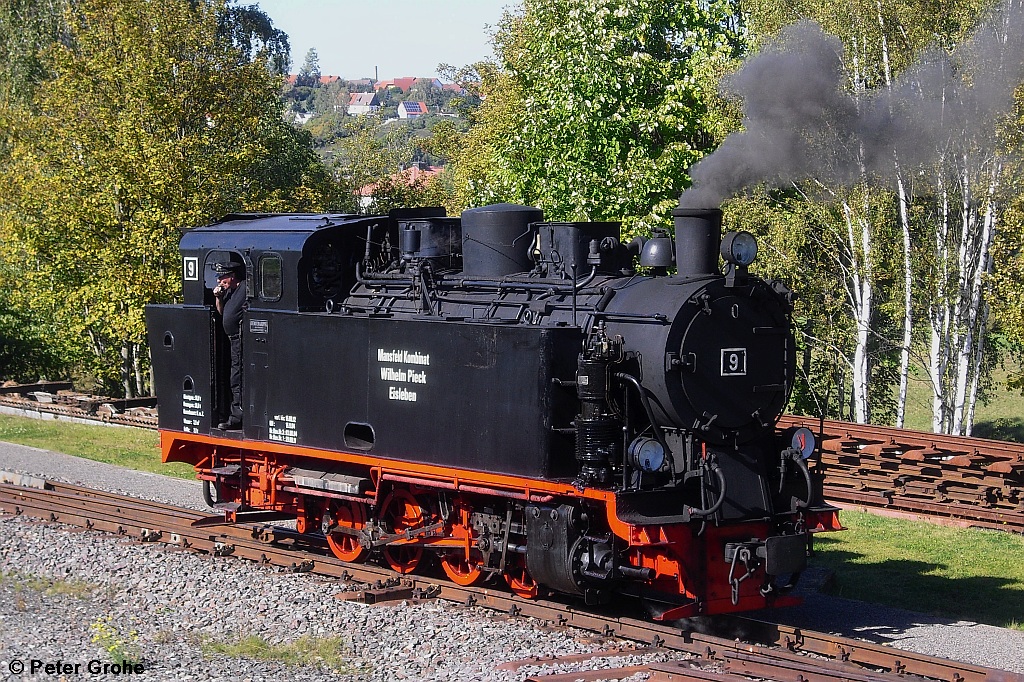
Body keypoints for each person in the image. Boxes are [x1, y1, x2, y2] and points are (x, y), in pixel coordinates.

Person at [212, 261, 246, 430]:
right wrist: (218, 297)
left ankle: (237, 416)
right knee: (234, 376)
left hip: (241, 340)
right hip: (232, 339)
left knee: (237, 377)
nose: (219, 281)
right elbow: (221, 312)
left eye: (222, 277)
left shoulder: (244, 289)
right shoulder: (229, 292)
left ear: (232, 276)